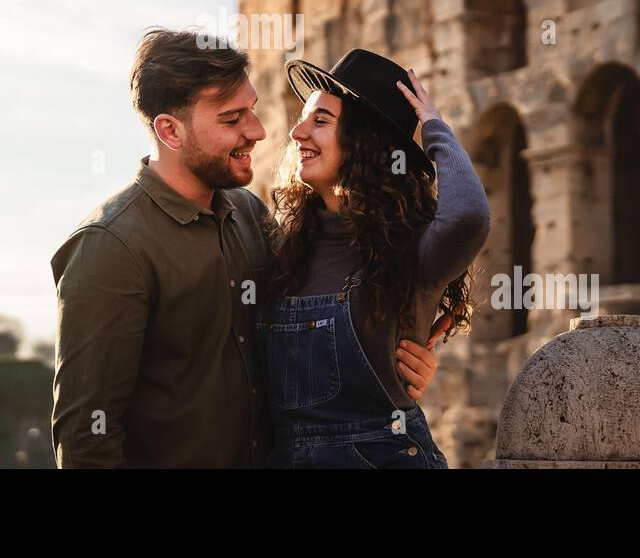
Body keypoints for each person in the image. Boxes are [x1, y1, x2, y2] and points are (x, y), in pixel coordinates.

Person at [49, 29, 443, 468]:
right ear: (170, 131)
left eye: (252, 111)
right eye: (232, 119)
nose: (257, 131)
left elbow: (313, 325)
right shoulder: (109, 247)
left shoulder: (251, 215)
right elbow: (86, 438)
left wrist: (391, 357)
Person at [258, 48, 491, 468]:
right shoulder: (282, 246)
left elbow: (470, 216)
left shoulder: (414, 250)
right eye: (302, 118)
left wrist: (434, 127)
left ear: (365, 143)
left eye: (321, 121)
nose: (297, 134)